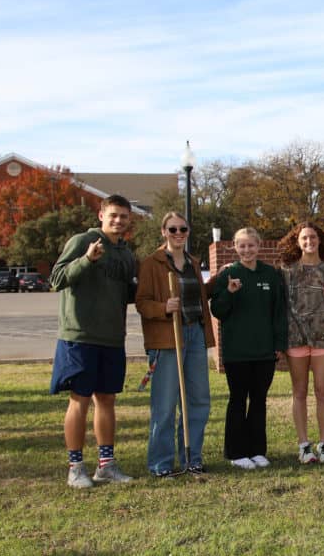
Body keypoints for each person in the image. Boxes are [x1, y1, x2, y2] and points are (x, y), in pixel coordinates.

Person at [49, 194, 138, 488]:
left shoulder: (126, 254)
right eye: (113, 215)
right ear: (101, 215)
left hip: (112, 337)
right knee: (80, 400)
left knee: (107, 399)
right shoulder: (82, 241)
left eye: (123, 216)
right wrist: (87, 259)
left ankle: (106, 465)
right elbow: (57, 278)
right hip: (79, 336)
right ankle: (75, 466)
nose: (118, 221)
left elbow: (127, 295)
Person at [135, 212, 215, 477]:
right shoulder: (152, 264)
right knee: (166, 403)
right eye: (173, 229)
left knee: (198, 400)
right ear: (163, 232)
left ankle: (192, 458)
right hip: (168, 337)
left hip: (194, 335)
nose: (178, 233)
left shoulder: (193, 262)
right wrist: (163, 307)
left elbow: (200, 296)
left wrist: (221, 281)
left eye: (183, 229)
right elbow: (142, 303)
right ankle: (161, 463)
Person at [210, 227, 287, 470]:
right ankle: (236, 452)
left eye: (251, 245)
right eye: (241, 246)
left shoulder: (271, 274)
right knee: (237, 400)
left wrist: (278, 344)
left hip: (264, 352)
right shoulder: (229, 274)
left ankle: (257, 450)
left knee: (258, 400)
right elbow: (218, 310)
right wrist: (230, 293)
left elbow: (278, 312)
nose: (247, 250)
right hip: (237, 352)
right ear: (235, 247)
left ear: (259, 245)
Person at [279, 221, 324, 464]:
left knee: (323, 391)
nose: (309, 242)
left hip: (323, 338)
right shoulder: (286, 272)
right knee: (300, 392)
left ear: (320, 240)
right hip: (295, 338)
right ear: (297, 241)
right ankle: (304, 445)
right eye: (304, 238)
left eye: (313, 238)